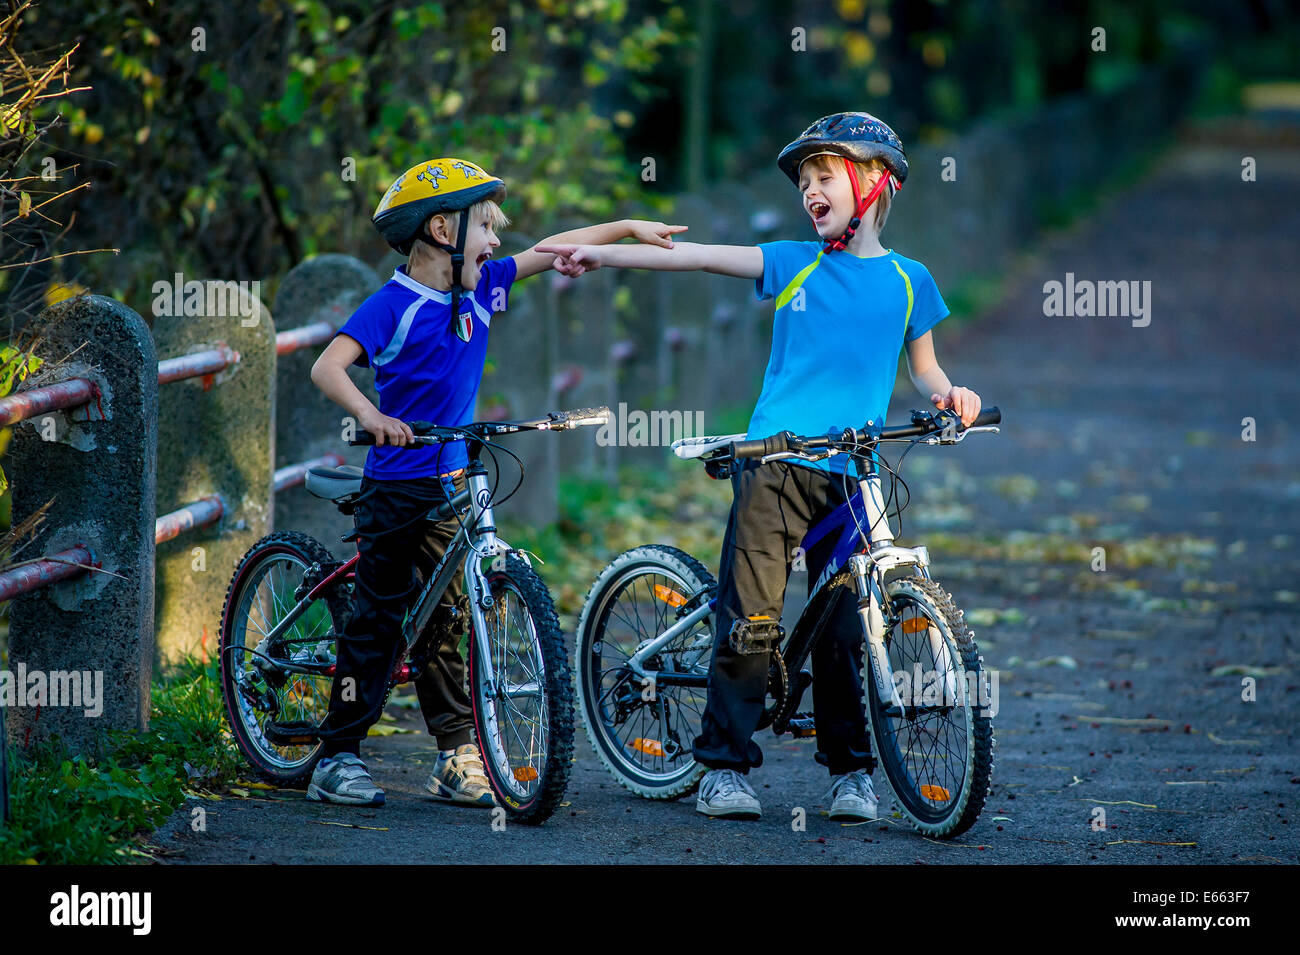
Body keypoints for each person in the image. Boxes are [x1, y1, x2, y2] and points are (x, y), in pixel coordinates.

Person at [538, 113, 984, 821]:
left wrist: (953, 396)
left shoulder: (909, 281)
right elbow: (698, 258)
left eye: (824, 174)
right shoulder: (792, 261)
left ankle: (851, 775)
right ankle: (721, 767)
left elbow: (926, 368)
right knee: (752, 621)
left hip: (853, 472)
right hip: (775, 465)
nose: (809, 189)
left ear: (874, 183)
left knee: (847, 627)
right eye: (803, 180)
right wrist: (612, 252)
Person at [308, 156, 685, 806]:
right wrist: (373, 416)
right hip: (396, 488)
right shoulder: (391, 305)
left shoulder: (480, 289)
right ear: (443, 232)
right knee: (374, 621)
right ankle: (335, 756)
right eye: (486, 226)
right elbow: (327, 366)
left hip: (454, 481)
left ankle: (455, 756)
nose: (497, 241)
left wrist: (627, 226)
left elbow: (551, 251)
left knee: (449, 619)